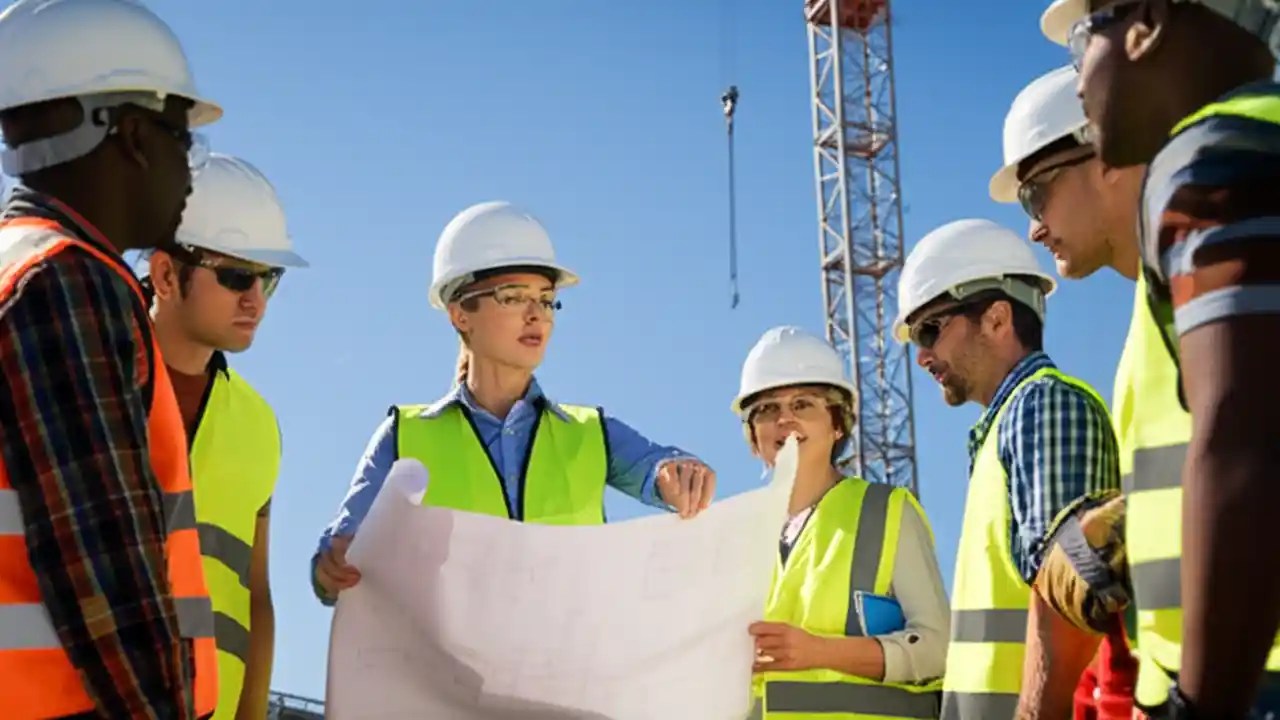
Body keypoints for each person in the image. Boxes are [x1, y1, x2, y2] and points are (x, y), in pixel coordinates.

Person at [1042, 0, 1280, 715]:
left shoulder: (1218, 154)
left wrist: (1201, 703)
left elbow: (1247, 429)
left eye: (1084, 36)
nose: (1078, 77)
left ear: (1145, 23)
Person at [313, 200, 716, 601]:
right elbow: (338, 557)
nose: (536, 314)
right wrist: (331, 565)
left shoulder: (594, 433)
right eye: (513, 297)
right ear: (460, 314)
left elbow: (659, 466)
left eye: (546, 299)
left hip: (570, 644)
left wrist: (677, 473)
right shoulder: (403, 436)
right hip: (447, 646)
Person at [0, 0, 223, 718]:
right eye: (183, 140)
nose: (190, 172)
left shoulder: (16, 265)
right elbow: (103, 566)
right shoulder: (66, 282)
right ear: (132, 136)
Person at [893, 218, 1121, 719]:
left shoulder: (1042, 408)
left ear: (997, 319)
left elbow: (1070, 604)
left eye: (930, 329)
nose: (923, 355)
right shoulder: (1003, 427)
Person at [989, 64, 1145, 719]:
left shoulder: (1218, 281)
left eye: (1036, 195)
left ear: (1106, 153)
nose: (1033, 227)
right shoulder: (1152, 317)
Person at [145, 153, 307, 720]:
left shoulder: (257, 424)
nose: (256, 300)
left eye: (269, 279)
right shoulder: (82, 382)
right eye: (237, 276)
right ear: (167, 276)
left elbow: (255, 596)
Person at [737, 326, 948, 719]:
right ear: (753, 435)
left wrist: (819, 651)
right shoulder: (736, 536)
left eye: (802, 405)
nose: (784, 420)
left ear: (837, 424)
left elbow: (938, 649)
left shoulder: (885, 512)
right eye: (766, 409)